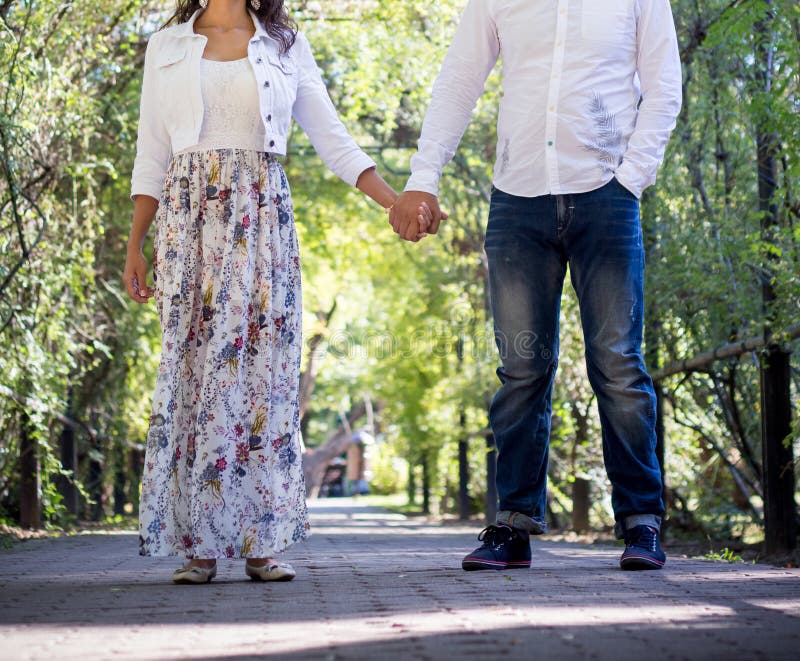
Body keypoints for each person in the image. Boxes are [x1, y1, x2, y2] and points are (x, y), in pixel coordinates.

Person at [125, 0, 429, 584]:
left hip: (262, 221)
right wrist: (135, 244)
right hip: (190, 226)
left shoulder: (285, 43)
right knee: (196, 371)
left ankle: (261, 542)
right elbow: (151, 152)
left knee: (263, 375)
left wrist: (397, 203)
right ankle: (200, 547)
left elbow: (332, 139)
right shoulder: (167, 45)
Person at [390, 0, 682, 571]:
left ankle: (641, 523)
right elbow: (458, 82)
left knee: (618, 363)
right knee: (521, 368)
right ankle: (513, 526)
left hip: (607, 192)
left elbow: (664, 82)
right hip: (517, 195)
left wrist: (632, 179)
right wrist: (423, 178)